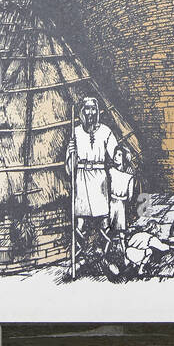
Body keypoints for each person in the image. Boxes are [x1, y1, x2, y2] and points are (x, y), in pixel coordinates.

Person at [65, 98, 117, 243]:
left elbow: (116, 154)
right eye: (87, 108)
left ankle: (106, 251)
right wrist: (71, 153)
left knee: (104, 218)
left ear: (97, 111)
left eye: (93, 108)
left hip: (99, 178)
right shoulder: (75, 132)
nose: (90, 112)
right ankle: (82, 254)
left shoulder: (105, 131)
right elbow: (70, 167)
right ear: (82, 111)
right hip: (81, 178)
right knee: (81, 219)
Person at [106, 144, 136, 249]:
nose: (116, 157)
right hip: (111, 203)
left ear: (124, 158)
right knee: (108, 228)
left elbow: (130, 195)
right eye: (115, 154)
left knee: (121, 231)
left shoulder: (129, 176)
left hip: (121, 206)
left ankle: (123, 250)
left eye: (119, 155)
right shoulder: (110, 171)